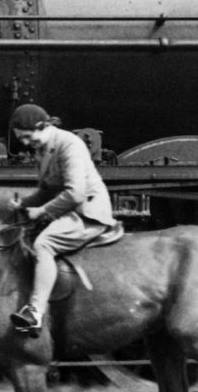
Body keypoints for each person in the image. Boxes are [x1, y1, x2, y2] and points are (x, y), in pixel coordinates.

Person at [7, 103, 119, 334]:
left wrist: (42, 211)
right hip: (68, 210)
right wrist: (25, 205)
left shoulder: (69, 145)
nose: (26, 144)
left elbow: (75, 192)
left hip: (87, 211)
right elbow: (47, 189)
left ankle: (35, 313)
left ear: (43, 126)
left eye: (28, 137)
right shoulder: (42, 149)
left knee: (44, 244)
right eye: (21, 139)